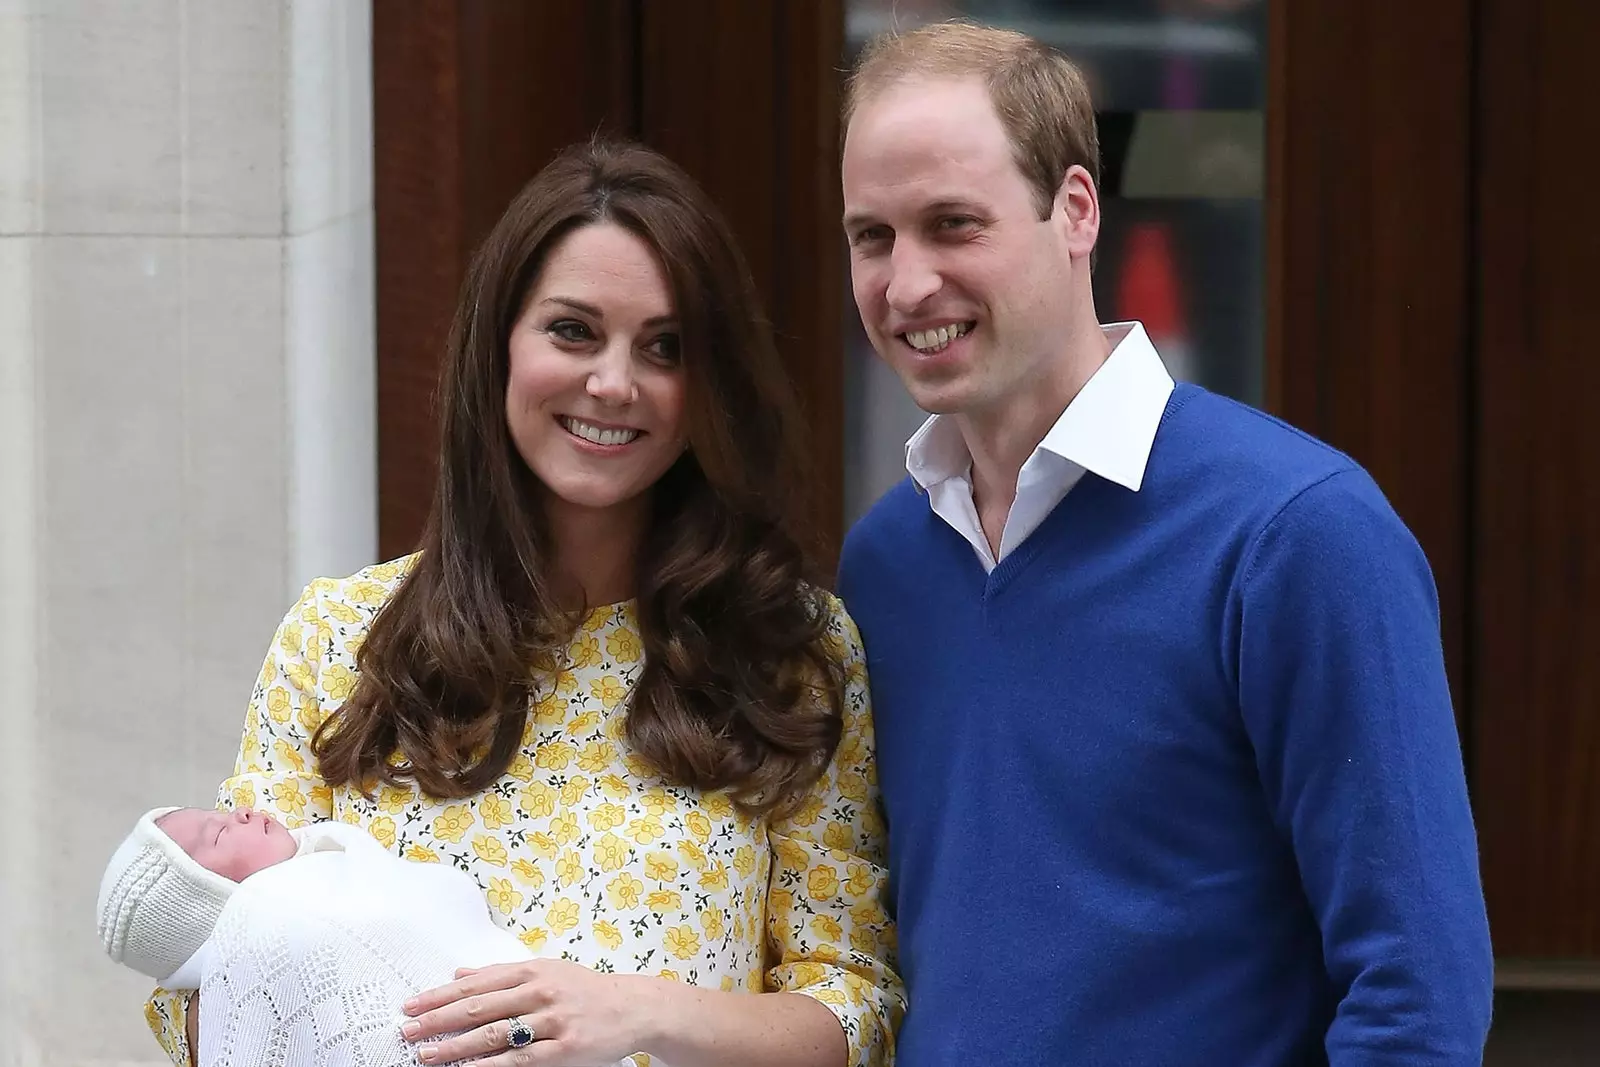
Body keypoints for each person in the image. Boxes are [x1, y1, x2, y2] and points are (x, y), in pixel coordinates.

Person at [139, 139, 903, 1067]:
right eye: (573, 330)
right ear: (499, 344)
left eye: (664, 347)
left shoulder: (789, 652)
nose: (613, 383)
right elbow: (204, 984)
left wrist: (639, 1013)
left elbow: (853, 1007)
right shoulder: (338, 638)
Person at [835, 21, 1492, 1067]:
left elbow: (1416, 994)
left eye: (953, 223)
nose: (906, 284)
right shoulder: (883, 566)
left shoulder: (1299, 534)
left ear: (1076, 211)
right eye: (873, 236)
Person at [102, 807, 626, 1067]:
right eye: (215, 835)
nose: (237, 812)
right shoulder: (278, 920)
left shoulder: (345, 872)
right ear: (204, 901)